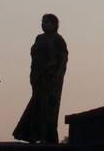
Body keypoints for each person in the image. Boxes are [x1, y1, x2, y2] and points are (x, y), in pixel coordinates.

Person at [13, 13, 68, 144]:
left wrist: (56, 76)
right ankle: (32, 135)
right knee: (37, 105)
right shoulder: (39, 38)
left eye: (47, 22)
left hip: (50, 78)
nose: (43, 24)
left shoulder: (58, 40)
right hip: (38, 77)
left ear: (54, 25)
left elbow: (62, 61)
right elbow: (34, 58)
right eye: (42, 22)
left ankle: (46, 136)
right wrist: (33, 75)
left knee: (47, 108)